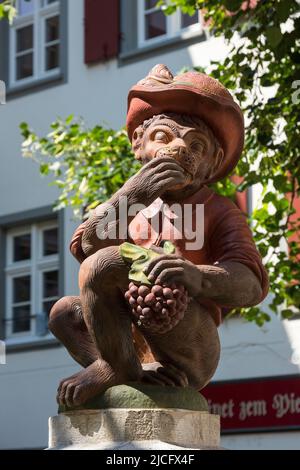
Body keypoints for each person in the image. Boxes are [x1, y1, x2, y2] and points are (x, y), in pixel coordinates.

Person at [49, 64, 269, 408]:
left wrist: (197, 276)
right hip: (130, 337)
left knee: (105, 263)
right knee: (65, 313)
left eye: (196, 147)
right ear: (140, 144)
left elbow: (251, 283)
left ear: (213, 163)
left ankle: (113, 367)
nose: (180, 150)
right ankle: (126, 367)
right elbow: (88, 244)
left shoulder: (218, 209)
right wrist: (134, 193)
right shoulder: (133, 202)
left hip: (190, 345)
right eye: (163, 137)